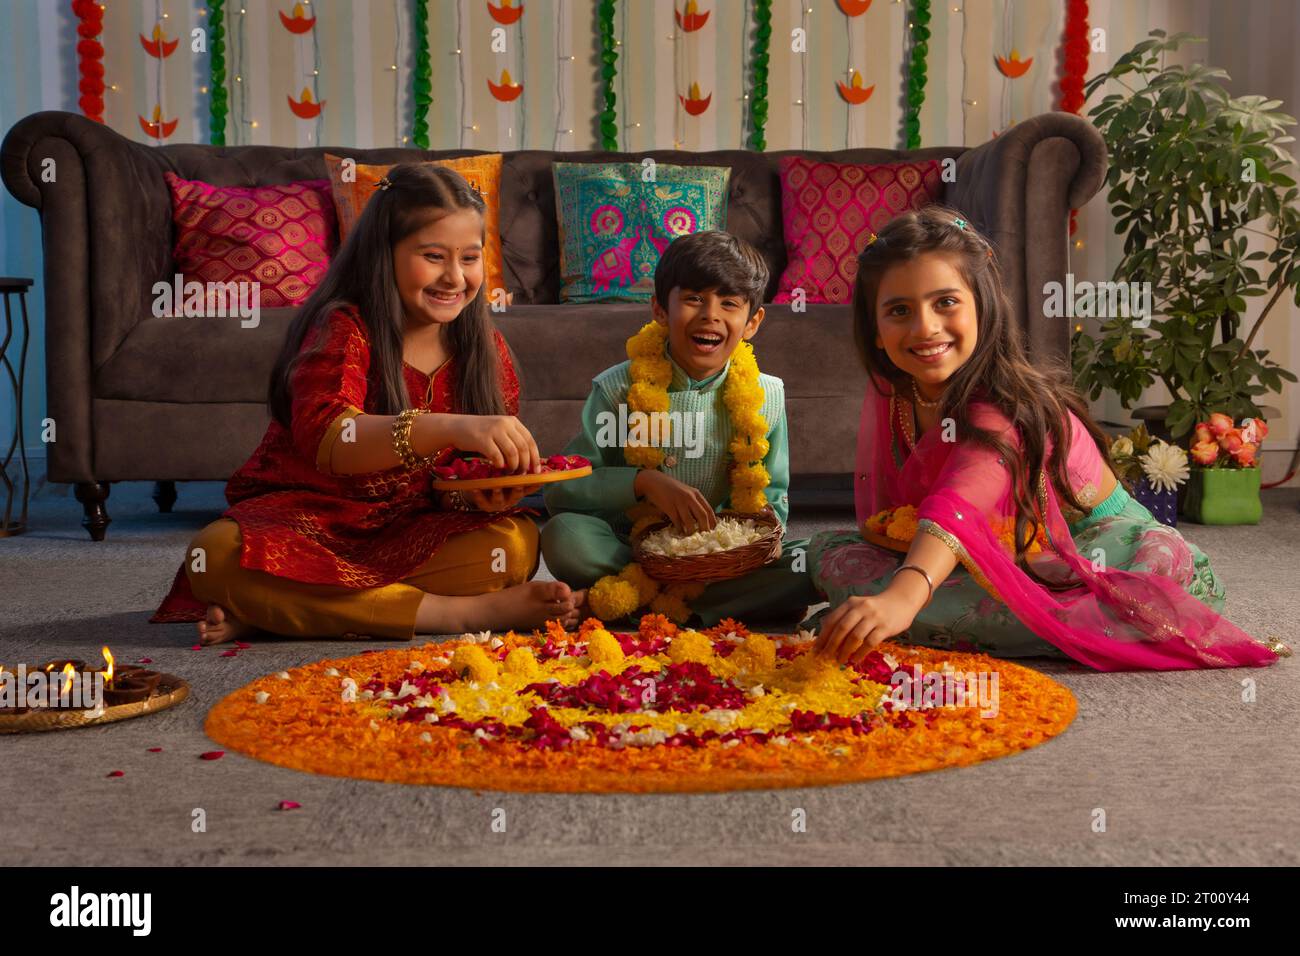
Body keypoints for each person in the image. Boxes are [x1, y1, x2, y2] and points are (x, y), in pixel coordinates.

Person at [808, 205, 1286, 670]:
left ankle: (917, 616)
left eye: (946, 302)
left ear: (983, 304)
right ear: (874, 330)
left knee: (1152, 563)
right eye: (898, 310)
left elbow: (963, 497)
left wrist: (903, 592)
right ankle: (922, 612)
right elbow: (903, 519)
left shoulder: (1004, 405)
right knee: (830, 554)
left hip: (1097, 554)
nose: (925, 327)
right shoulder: (899, 394)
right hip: (990, 551)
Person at [152, 163, 582, 644]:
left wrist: (479, 495)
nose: (454, 277)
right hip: (311, 521)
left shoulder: (484, 348)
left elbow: (454, 482)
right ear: (384, 254)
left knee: (515, 546)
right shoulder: (343, 327)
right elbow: (333, 437)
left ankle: (281, 608)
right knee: (213, 556)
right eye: (434, 256)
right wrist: (446, 426)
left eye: (469, 258)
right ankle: (457, 615)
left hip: (409, 528)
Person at [541, 230, 819, 627]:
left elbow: (771, 497)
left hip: (721, 558)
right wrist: (641, 482)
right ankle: (727, 604)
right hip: (632, 549)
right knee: (564, 536)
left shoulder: (766, 395)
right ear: (659, 309)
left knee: (811, 559)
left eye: (729, 303)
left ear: (753, 322)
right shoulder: (619, 389)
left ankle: (624, 601)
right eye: (694, 299)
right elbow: (562, 489)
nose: (710, 315)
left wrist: (728, 548)